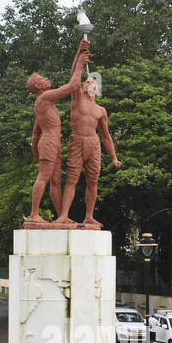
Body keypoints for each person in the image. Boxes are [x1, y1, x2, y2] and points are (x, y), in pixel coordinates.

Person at [26, 40, 89, 225]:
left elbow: (34, 135)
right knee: (44, 177)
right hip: (50, 143)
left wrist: (79, 52)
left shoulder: (43, 105)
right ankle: (34, 214)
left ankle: (62, 217)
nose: (47, 80)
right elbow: (72, 86)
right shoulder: (44, 97)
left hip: (50, 144)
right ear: (38, 87)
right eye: (43, 79)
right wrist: (80, 64)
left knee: (55, 181)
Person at [57, 70, 121, 228]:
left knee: (93, 182)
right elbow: (74, 76)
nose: (90, 83)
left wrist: (114, 157)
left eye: (93, 82)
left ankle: (89, 216)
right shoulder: (77, 98)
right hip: (77, 141)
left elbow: (106, 136)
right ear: (82, 87)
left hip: (94, 143)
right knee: (72, 180)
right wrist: (81, 53)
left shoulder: (101, 110)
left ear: (98, 89)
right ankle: (64, 215)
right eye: (87, 82)